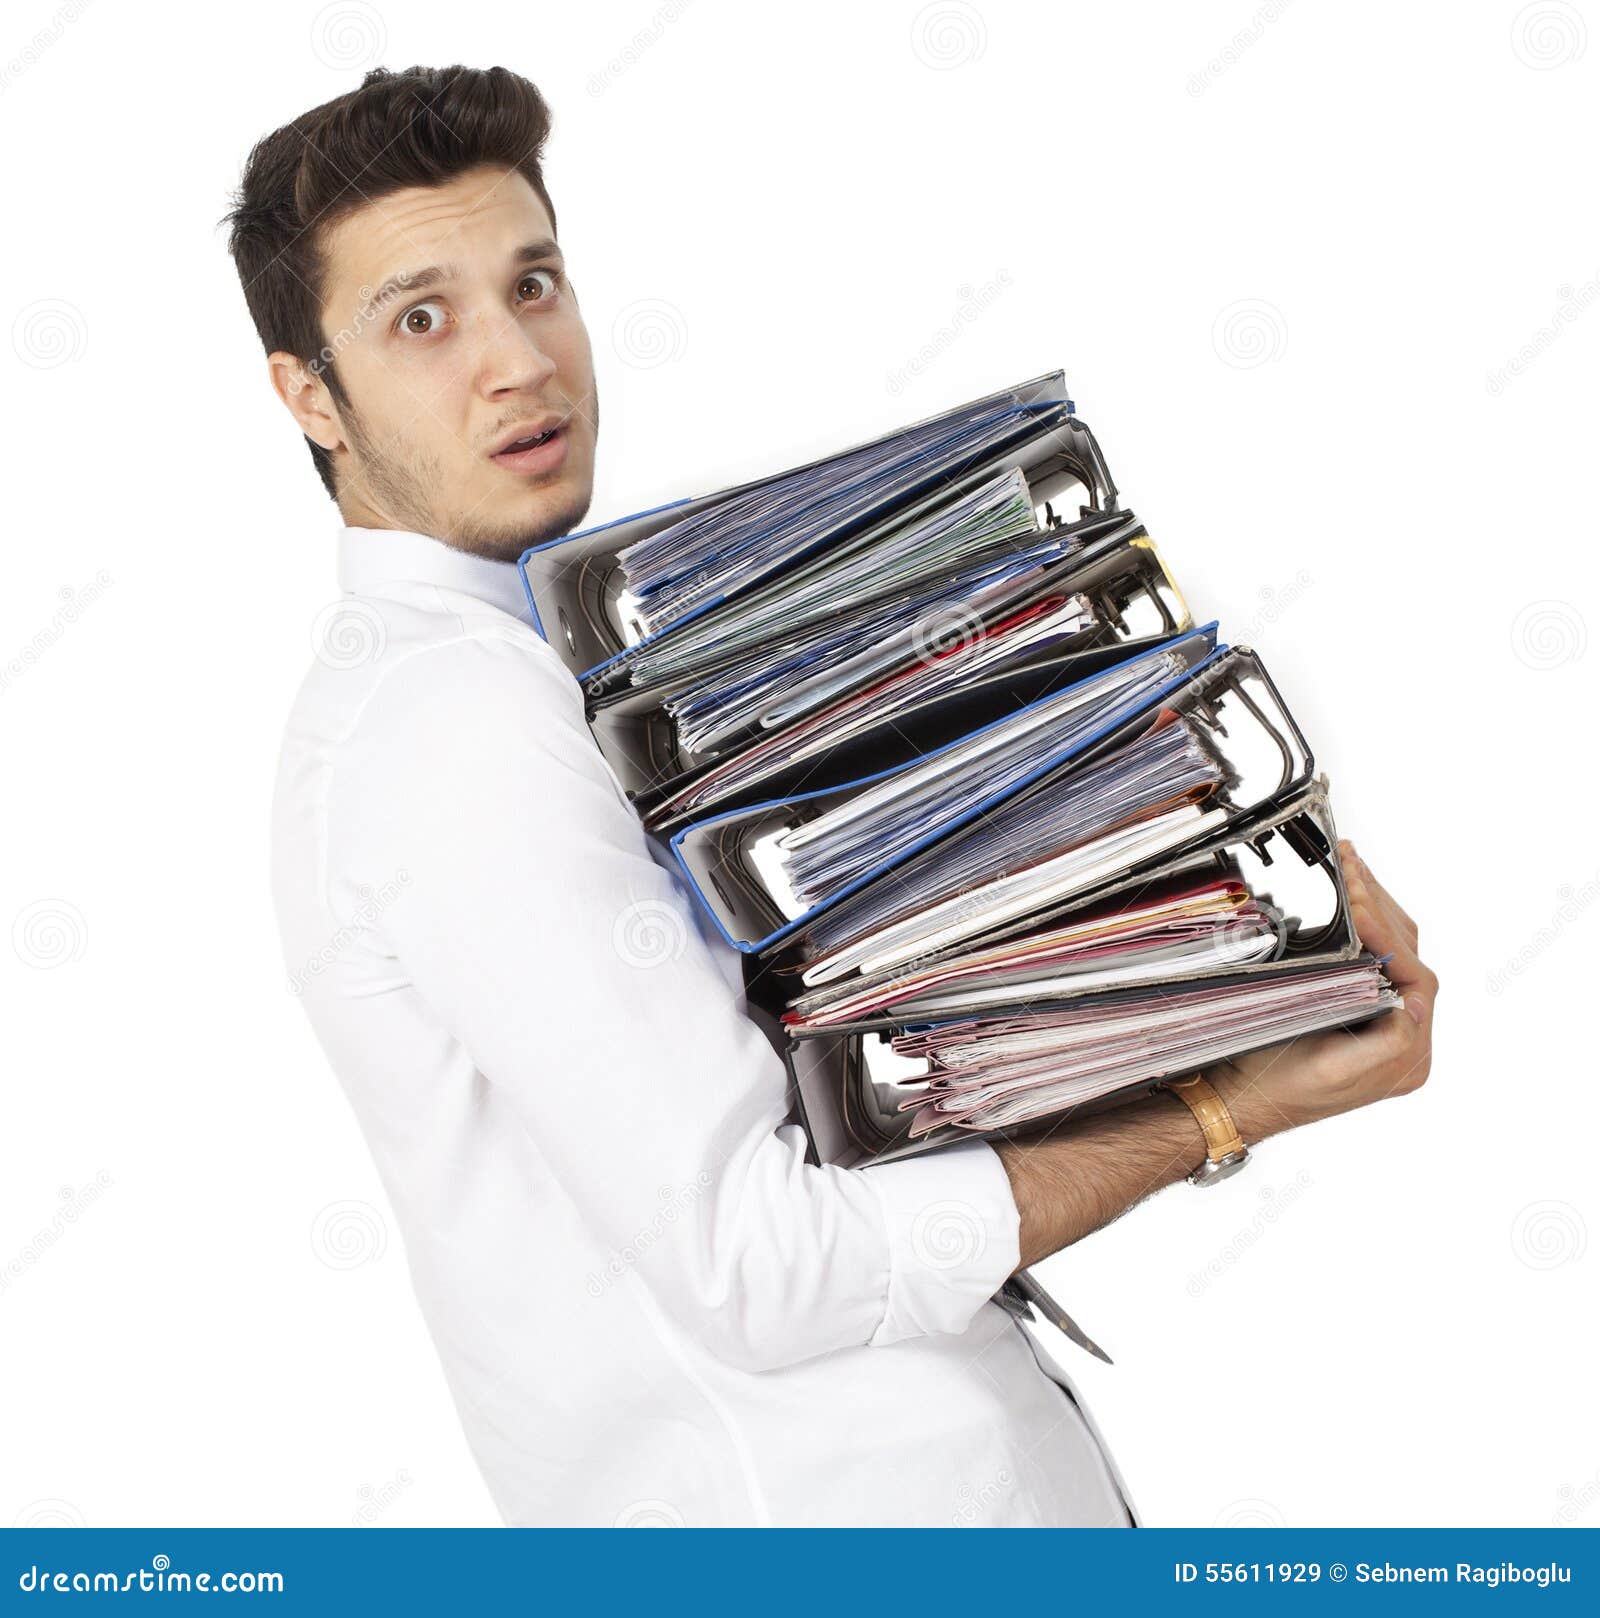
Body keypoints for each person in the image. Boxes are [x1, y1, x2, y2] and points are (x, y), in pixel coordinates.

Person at [230, 64, 1438, 1527]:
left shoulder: (538, 666)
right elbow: (763, 1257)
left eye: (533, 282)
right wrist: (1219, 1106)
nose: (518, 361)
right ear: (310, 395)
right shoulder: (451, 717)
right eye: (421, 318)